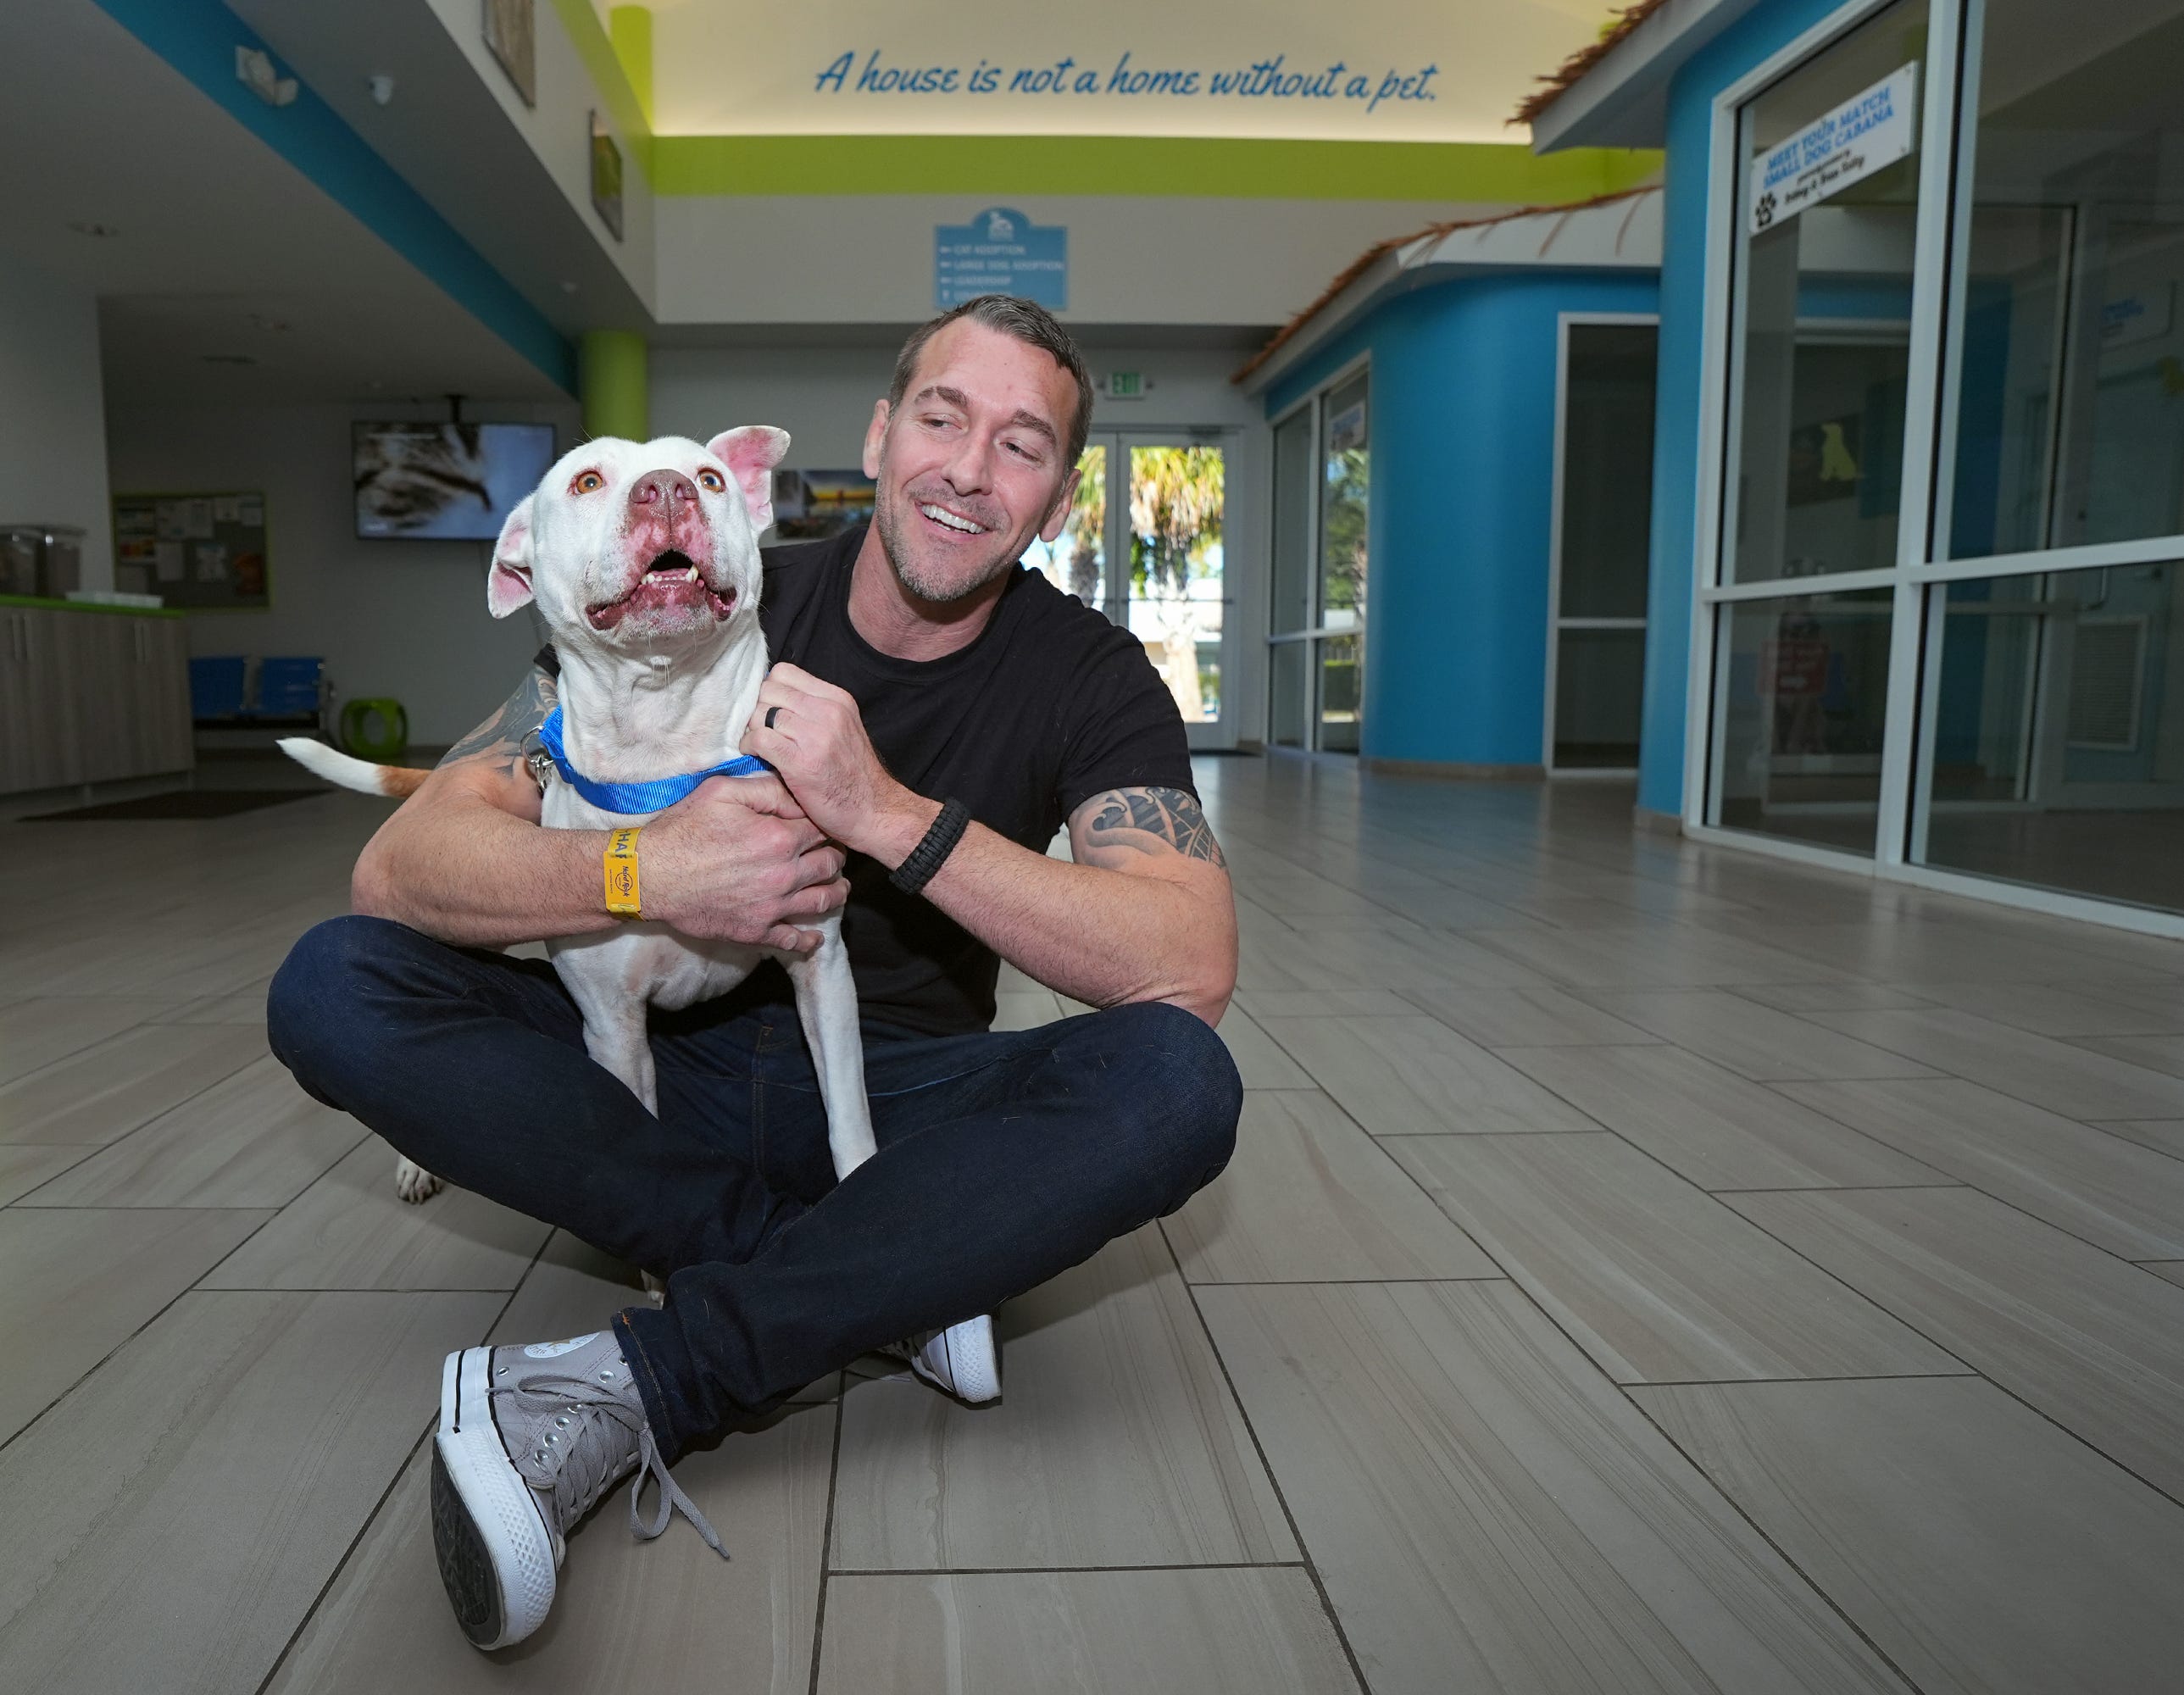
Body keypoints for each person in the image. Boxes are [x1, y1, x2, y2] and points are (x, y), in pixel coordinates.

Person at [266, 293, 1242, 1650]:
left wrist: (882, 811)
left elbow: (1187, 963)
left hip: (900, 1096)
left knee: (1177, 1080)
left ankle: (642, 1378)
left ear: (1060, 499)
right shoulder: (694, 579)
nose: (968, 469)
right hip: (660, 1078)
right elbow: (401, 873)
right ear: (881, 432)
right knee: (335, 981)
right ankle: (874, 1270)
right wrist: (640, 874)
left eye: (1020, 445)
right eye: (943, 418)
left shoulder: (1088, 673)